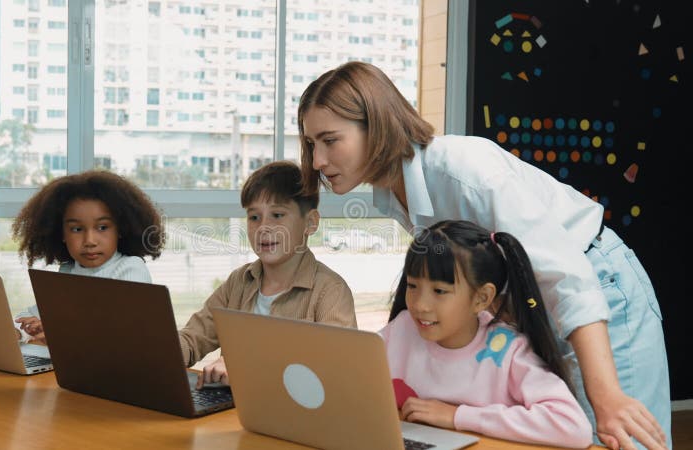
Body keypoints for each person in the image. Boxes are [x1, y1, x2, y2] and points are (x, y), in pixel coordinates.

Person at [298, 61, 670, 450]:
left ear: (375, 126)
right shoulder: (390, 193)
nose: (319, 160)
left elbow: (568, 277)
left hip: (595, 282)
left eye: (330, 140)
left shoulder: (463, 169)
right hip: (535, 300)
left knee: (620, 436)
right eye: (311, 145)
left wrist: (606, 395)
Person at [383, 221, 592, 448]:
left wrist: (457, 416)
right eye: (413, 286)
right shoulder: (401, 329)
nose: (420, 305)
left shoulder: (507, 350)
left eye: (439, 291)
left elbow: (573, 427)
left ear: (481, 298)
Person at [180, 161, 357, 388]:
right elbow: (192, 339)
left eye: (277, 215)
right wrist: (154, 349)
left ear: (310, 223)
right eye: (254, 217)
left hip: (296, 419)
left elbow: (335, 370)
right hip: (232, 411)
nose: (263, 227)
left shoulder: (330, 292)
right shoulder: (238, 282)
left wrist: (243, 368)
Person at [11, 170, 164, 344]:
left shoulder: (131, 269)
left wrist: (56, 330)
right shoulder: (67, 271)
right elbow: (30, 315)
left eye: (102, 227)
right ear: (61, 234)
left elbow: (120, 330)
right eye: (77, 229)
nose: (89, 241)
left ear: (120, 229)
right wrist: (22, 331)